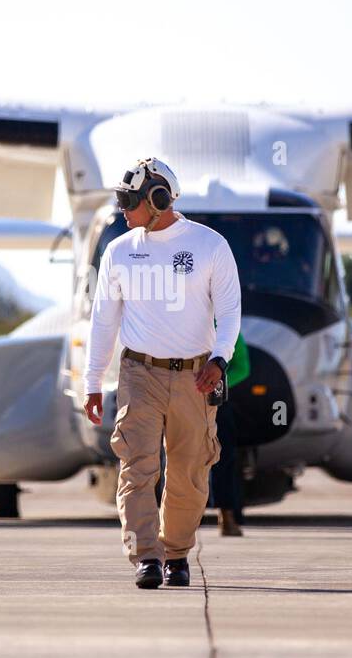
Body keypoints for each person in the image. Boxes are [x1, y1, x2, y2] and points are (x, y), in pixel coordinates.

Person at [83, 158, 242, 589]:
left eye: (128, 201)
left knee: (190, 472)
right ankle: (146, 557)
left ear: (157, 199)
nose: (123, 210)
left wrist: (220, 360)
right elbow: (103, 320)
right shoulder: (119, 250)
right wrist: (92, 382)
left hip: (195, 376)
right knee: (137, 467)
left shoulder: (211, 246)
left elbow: (229, 313)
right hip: (139, 374)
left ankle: (176, 554)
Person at [209, 331, 249, 536]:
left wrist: (216, 384)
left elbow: (242, 368)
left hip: (217, 403)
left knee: (224, 458)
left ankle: (227, 515)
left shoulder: (227, 328)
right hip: (181, 397)